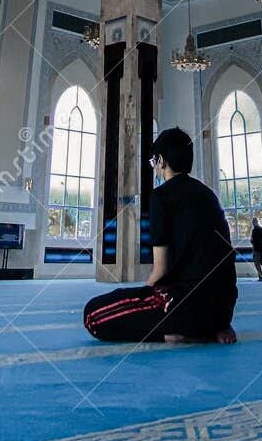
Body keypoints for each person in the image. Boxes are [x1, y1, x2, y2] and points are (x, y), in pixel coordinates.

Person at [83, 126, 238, 344]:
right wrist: (220, 320)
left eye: (153, 162)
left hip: (184, 309)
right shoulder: (209, 195)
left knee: (93, 314)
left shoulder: (161, 196)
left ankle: (172, 334)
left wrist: (143, 295)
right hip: (222, 311)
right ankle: (208, 329)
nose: (154, 167)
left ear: (162, 161)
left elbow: (161, 270)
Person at [250, 216, 262, 281]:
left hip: (256, 249)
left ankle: (260, 276)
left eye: (253, 222)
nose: (253, 224)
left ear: (255, 222)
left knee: (257, 263)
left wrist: (252, 242)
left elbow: (253, 240)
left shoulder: (254, 230)